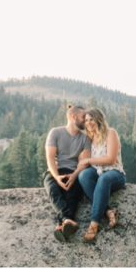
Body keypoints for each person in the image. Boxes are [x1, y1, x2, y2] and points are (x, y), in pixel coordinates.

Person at [77, 108, 126, 243]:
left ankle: (94, 224)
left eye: (91, 119)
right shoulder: (89, 138)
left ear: (98, 119)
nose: (88, 123)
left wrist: (88, 160)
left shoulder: (111, 133)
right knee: (84, 176)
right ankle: (108, 211)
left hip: (114, 173)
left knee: (103, 179)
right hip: (97, 173)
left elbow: (110, 159)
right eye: (86, 120)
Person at [44, 104, 91, 242]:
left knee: (73, 194)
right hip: (56, 170)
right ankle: (67, 220)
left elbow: (85, 161)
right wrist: (56, 176)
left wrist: (75, 174)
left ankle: (62, 225)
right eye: (83, 117)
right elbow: (50, 157)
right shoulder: (55, 132)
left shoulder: (85, 138)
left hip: (73, 171)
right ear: (73, 116)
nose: (85, 120)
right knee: (52, 189)